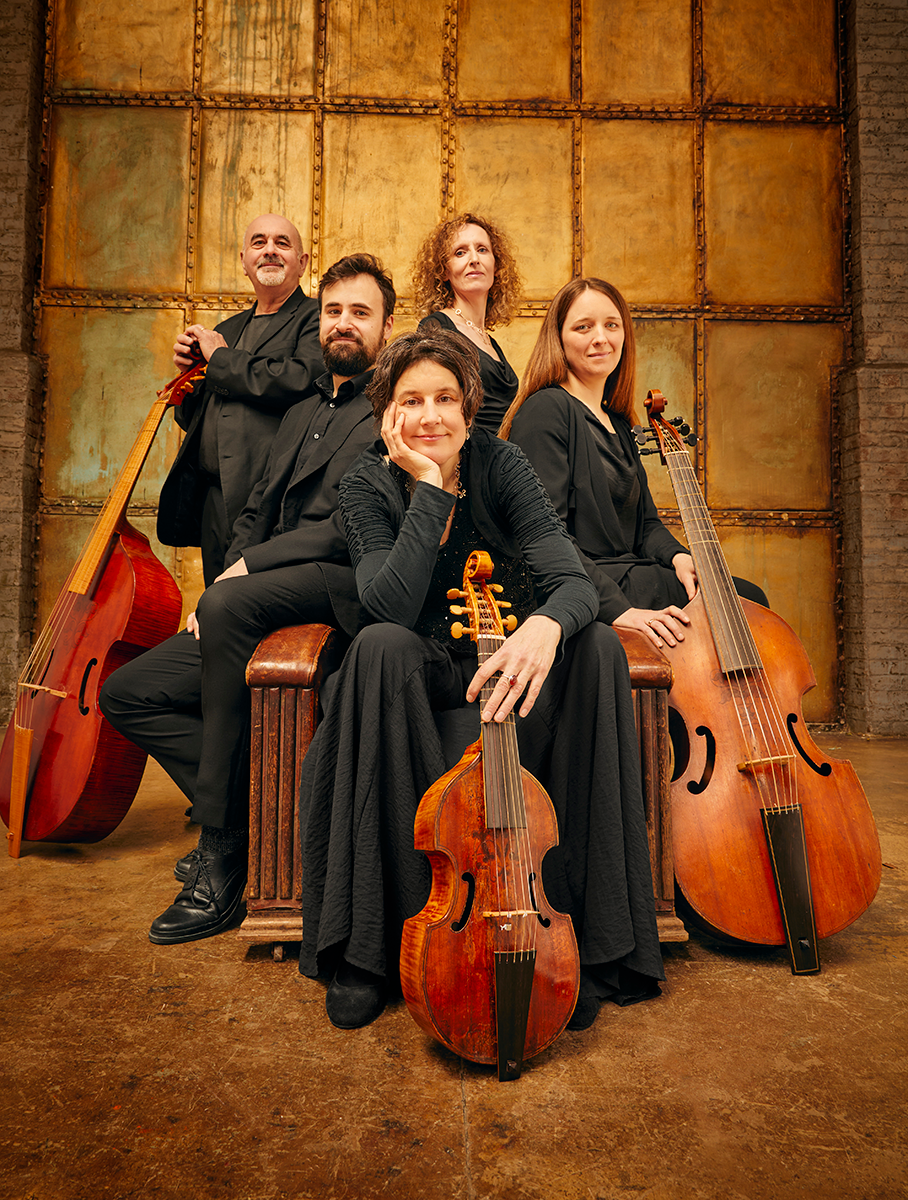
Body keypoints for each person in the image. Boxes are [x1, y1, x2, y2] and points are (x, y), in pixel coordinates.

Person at [297, 327, 664, 1034]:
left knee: (596, 650)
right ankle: (373, 953)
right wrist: (429, 490)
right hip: (422, 681)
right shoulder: (368, 481)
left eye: (445, 399)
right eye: (412, 400)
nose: (430, 415)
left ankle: (591, 945)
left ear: (469, 412)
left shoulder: (503, 465)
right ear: (387, 415)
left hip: (516, 672)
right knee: (376, 647)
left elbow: (569, 574)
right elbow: (388, 603)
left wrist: (546, 627)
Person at [99, 254, 396, 946]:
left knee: (230, 605)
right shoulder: (297, 412)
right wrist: (229, 573)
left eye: (361, 311)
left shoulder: (393, 409)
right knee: (128, 691)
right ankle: (265, 805)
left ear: (386, 325)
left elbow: (348, 528)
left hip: (339, 585)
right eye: (333, 310)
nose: (343, 323)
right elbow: (256, 509)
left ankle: (223, 848)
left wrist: (245, 573)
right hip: (263, 591)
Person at [500, 277, 767, 652]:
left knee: (743, 600)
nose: (600, 338)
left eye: (611, 325)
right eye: (583, 326)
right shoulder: (546, 411)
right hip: (586, 582)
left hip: (629, 574)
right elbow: (548, 537)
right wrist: (620, 610)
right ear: (558, 338)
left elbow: (646, 525)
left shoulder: (620, 424)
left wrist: (678, 556)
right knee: (744, 601)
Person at [158, 213, 326, 585]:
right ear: (244, 262)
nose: (270, 250)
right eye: (259, 242)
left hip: (270, 496)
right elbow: (195, 419)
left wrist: (221, 360)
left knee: (255, 606)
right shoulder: (226, 330)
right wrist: (188, 379)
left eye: (282, 243)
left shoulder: (315, 318)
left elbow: (301, 380)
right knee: (216, 606)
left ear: (302, 262)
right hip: (215, 499)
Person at [412, 212, 522, 434]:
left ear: (496, 265)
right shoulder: (436, 328)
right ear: (444, 271)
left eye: (482, 249)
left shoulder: (489, 341)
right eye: (460, 252)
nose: (474, 259)